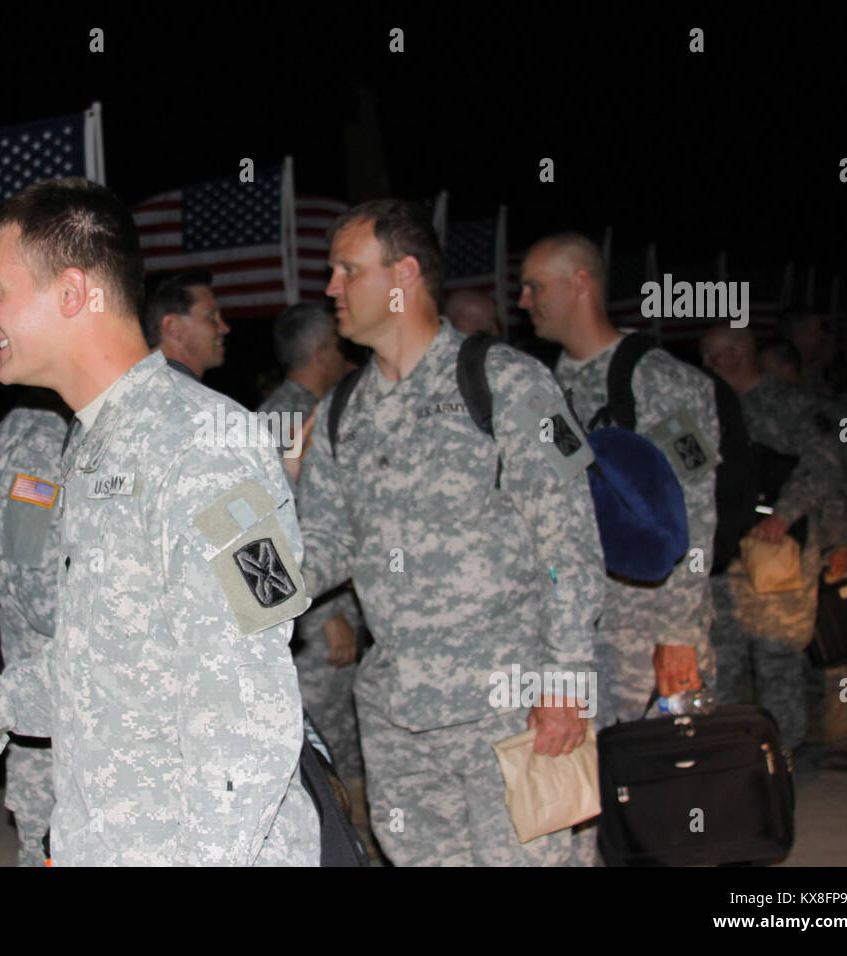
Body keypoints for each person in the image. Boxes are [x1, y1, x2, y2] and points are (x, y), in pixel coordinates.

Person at [0, 178, 320, 866]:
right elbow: (103, 665)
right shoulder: (94, 442)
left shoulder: (204, 444)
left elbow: (248, 709)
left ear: (71, 294)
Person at [288, 199, 604, 866]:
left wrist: (566, 686)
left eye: (348, 270)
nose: (331, 288)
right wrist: (225, 579)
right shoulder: (342, 411)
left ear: (403, 275)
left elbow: (569, 547)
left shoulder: (510, 384)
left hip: (512, 711)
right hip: (398, 717)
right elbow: (318, 549)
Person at [519, 233, 719, 726]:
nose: (523, 301)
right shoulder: (537, 386)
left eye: (535, 287)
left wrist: (677, 634)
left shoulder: (660, 380)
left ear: (579, 283)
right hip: (569, 628)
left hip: (641, 631)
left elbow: (697, 509)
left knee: (656, 782)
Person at [701, 325, 840, 755]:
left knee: (777, 660)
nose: (709, 365)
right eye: (706, 357)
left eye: (716, 355)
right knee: (720, 661)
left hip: (777, 553)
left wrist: (785, 512)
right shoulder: (706, 405)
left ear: (741, 351)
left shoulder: (794, 403)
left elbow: (827, 461)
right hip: (723, 553)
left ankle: (782, 756)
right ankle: (724, 757)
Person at [257, 303, 365, 787]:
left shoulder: (299, 411)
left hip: (320, 605)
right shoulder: (290, 419)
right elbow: (274, 527)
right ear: (325, 351)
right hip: (312, 618)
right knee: (330, 755)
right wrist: (328, 614)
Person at [760, 340, 847, 741]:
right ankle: (818, 713)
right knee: (806, 630)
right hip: (807, 541)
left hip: (839, 538)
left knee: (844, 633)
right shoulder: (801, 409)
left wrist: (842, 543)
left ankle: (839, 717)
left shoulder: (832, 414)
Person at [0, 402, 68, 865]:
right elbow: (39, 589)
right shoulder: (41, 446)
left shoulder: (34, 432)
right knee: (48, 843)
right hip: (49, 702)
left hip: (49, 703)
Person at [142, 270, 230, 379]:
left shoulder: (132, 388)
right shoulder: (179, 394)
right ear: (173, 326)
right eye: (211, 317)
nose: (225, 329)